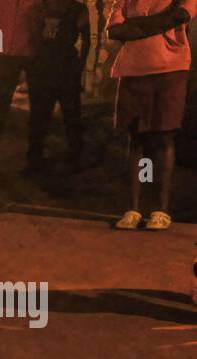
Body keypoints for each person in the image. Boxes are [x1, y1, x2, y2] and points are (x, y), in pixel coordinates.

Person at [106, 0, 196, 230]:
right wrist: (159, 23)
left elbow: (181, 15)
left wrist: (137, 26)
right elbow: (114, 30)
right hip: (133, 70)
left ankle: (160, 209)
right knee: (137, 138)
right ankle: (134, 208)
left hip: (170, 69)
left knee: (162, 138)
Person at [25, 0, 89, 174]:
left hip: (66, 68)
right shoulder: (40, 7)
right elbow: (32, 36)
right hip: (43, 67)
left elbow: (86, 39)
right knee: (39, 115)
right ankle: (34, 158)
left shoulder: (77, 9)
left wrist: (79, 67)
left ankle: (74, 158)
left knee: (71, 115)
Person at [0, 0, 41, 165]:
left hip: (32, 56)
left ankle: (34, 155)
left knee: (37, 106)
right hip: (8, 57)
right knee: (0, 104)